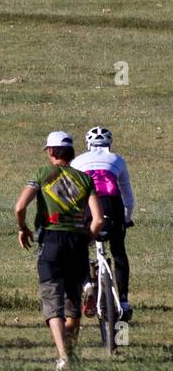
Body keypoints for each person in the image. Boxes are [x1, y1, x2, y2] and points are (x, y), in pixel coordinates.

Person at [14, 131, 106, 371]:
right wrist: (86, 239)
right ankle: (71, 354)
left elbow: (20, 206)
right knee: (72, 303)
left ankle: (64, 356)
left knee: (52, 300)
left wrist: (22, 228)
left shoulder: (43, 175)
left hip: (51, 241)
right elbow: (97, 220)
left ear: (52, 151)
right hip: (76, 241)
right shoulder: (85, 179)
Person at [72, 126, 135, 321]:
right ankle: (123, 300)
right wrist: (125, 218)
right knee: (118, 251)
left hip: (89, 206)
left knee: (79, 248)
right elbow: (128, 197)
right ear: (109, 144)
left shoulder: (77, 161)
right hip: (112, 205)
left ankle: (86, 283)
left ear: (88, 143)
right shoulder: (118, 160)